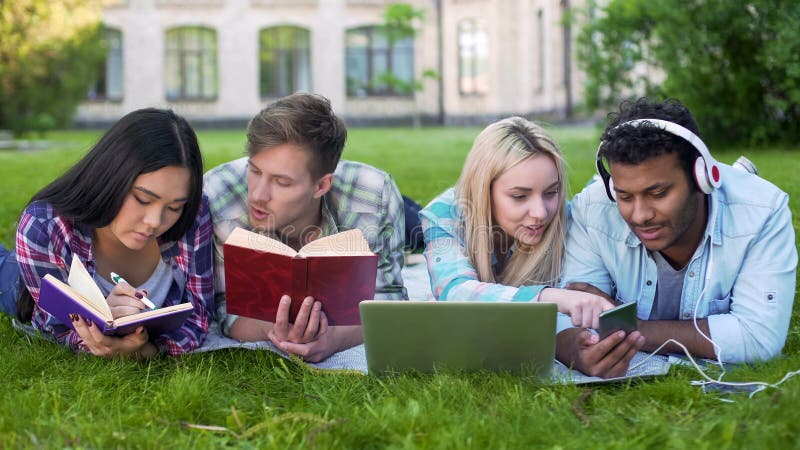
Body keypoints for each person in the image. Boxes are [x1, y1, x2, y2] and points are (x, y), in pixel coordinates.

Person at [557, 98, 797, 378]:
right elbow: (573, 316)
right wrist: (575, 350)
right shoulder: (593, 209)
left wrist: (630, 326)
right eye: (624, 196)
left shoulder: (763, 211)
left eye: (658, 194)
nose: (640, 215)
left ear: (702, 178)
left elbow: (758, 338)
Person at [204, 93, 406, 363]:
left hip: (347, 208)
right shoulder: (217, 195)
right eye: (254, 170)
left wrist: (333, 340)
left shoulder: (375, 194)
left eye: (281, 182)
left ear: (321, 185)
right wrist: (276, 331)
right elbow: (225, 308)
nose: (258, 195)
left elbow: (388, 302)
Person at [14, 108, 214, 358]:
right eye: (142, 199)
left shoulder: (194, 213)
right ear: (111, 178)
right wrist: (100, 328)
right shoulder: (43, 227)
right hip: (32, 271)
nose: (155, 222)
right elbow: (55, 324)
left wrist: (147, 350)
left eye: (174, 207)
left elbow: (200, 315)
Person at [420, 117, 614, 329]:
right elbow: (453, 292)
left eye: (551, 192)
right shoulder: (445, 214)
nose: (540, 213)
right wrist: (547, 297)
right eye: (520, 196)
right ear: (483, 191)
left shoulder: (567, 217)